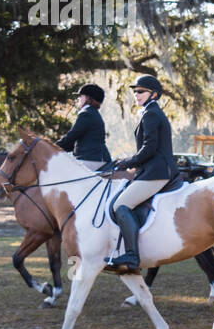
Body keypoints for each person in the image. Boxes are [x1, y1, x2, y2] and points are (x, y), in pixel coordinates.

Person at [105, 75, 178, 271]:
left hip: (157, 171)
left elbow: (149, 148)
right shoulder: (150, 112)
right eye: (134, 91)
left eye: (140, 91)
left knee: (121, 205)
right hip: (153, 170)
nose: (136, 95)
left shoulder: (151, 114)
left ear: (153, 94)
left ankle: (132, 256)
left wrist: (127, 162)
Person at [56, 83, 112, 171]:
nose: (78, 99)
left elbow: (71, 136)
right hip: (95, 158)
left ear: (89, 99)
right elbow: (71, 143)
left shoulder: (86, 113)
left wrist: (51, 148)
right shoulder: (92, 113)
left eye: (81, 96)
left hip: (91, 159)